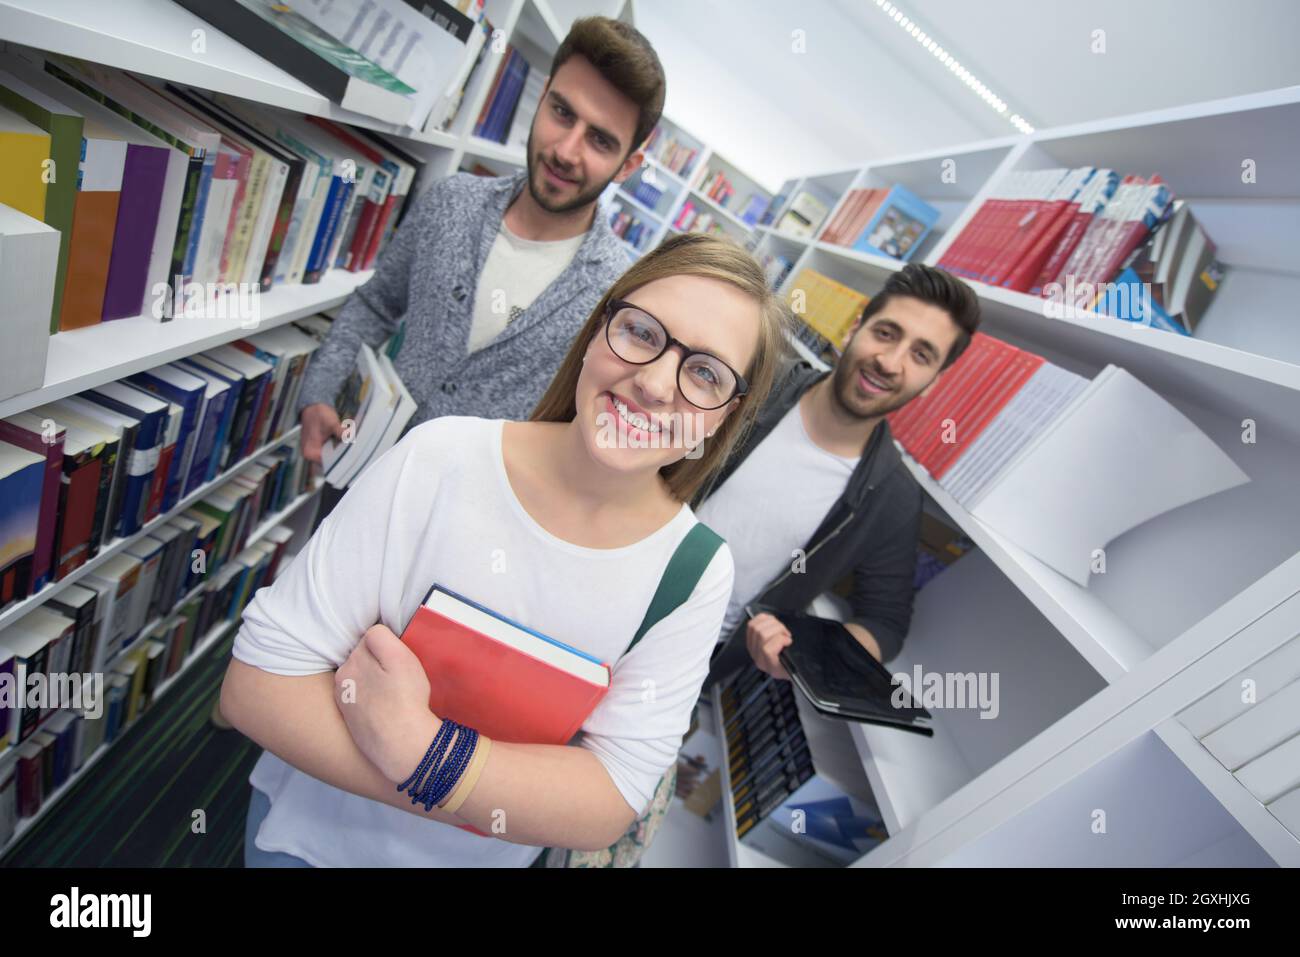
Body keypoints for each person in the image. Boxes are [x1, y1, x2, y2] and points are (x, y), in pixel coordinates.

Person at [220, 234, 793, 867]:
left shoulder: (696, 573)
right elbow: (258, 688)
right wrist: (484, 793)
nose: (655, 383)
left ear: (723, 418)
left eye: (705, 374)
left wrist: (421, 750)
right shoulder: (441, 457)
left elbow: (608, 799)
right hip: (305, 843)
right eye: (641, 332)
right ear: (598, 330)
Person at [294, 15, 667, 465]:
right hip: (361, 465)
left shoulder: (617, 297)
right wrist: (320, 389)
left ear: (628, 165)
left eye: (601, 140)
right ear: (544, 95)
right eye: (562, 112)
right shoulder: (451, 200)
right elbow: (376, 305)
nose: (566, 151)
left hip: (471, 522)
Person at [696, 262, 981, 688]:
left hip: (692, 663)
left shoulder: (892, 497)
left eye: (921, 355)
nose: (890, 362)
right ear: (854, 330)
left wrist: (802, 654)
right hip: (605, 580)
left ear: (933, 382)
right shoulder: (756, 381)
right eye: (885, 333)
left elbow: (886, 623)